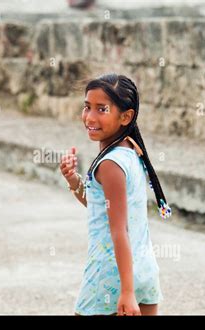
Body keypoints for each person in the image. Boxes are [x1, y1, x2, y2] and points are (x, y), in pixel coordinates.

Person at [60, 73, 171, 316]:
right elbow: (101, 204)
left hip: (112, 275)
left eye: (102, 109)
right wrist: (73, 180)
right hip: (143, 270)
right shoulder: (131, 148)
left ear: (125, 117)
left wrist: (127, 291)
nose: (90, 117)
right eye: (87, 107)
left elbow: (119, 230)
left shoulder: (109, 164)